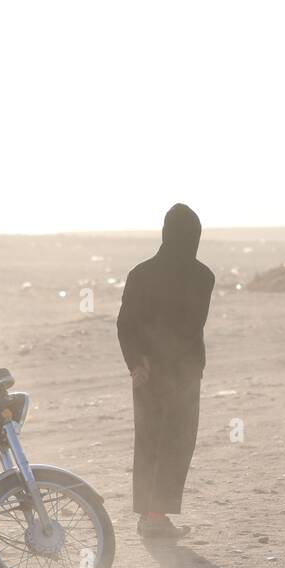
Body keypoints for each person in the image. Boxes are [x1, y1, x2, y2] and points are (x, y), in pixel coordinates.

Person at [116, 203, 215, 539]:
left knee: (147, 441)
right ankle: (155, 517)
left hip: (146, 372)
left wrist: (137, 363)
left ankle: (149, 515)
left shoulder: (139, 273)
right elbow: (189, 327)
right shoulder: (203, 276)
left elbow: (125, 324)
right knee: (175, 443)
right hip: (182, 373)